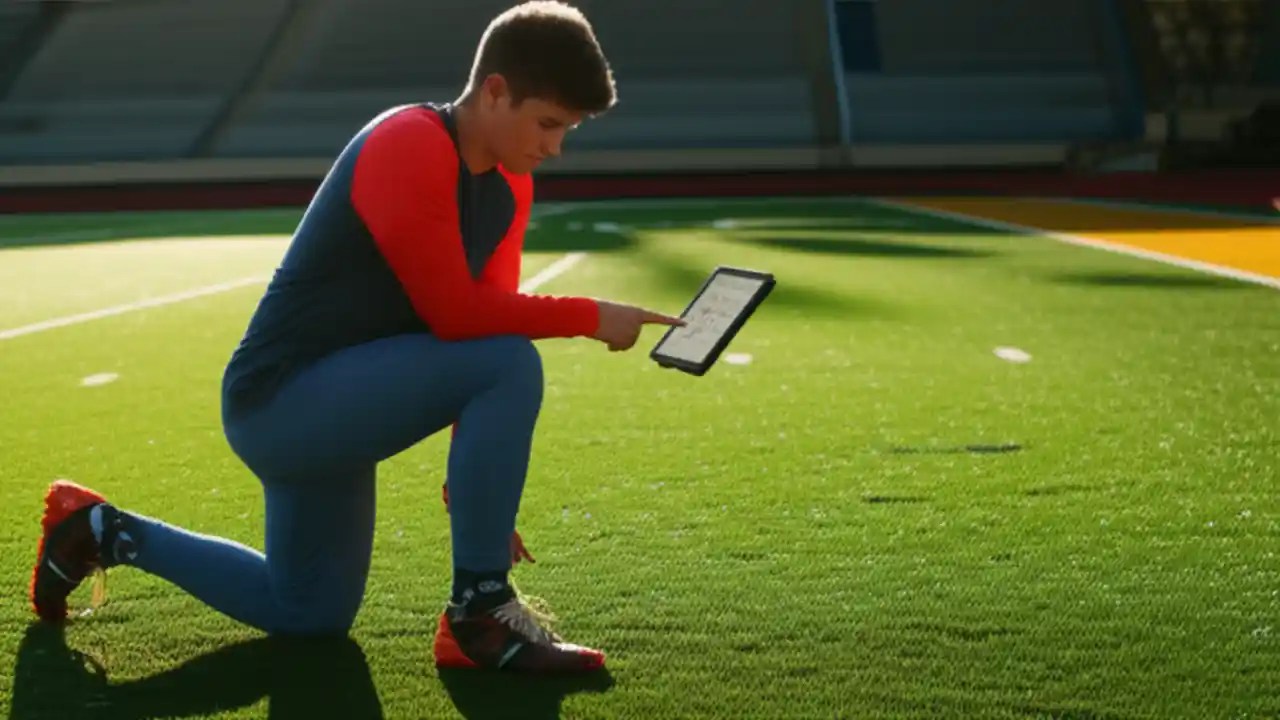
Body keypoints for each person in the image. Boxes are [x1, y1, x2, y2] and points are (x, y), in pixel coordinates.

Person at [29, 0, 682, 674]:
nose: (554, 146)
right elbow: (458, 319)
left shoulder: (510, 187)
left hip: (338, 412)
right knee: (512, 362)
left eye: (566, 130)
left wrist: (479, 493)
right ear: (494, 92)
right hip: (280, 402)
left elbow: (488, 314)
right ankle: (479, 614)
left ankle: (97, 530)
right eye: (547, 123)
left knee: (309, 614)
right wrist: (591, 316)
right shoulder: (410, 140)